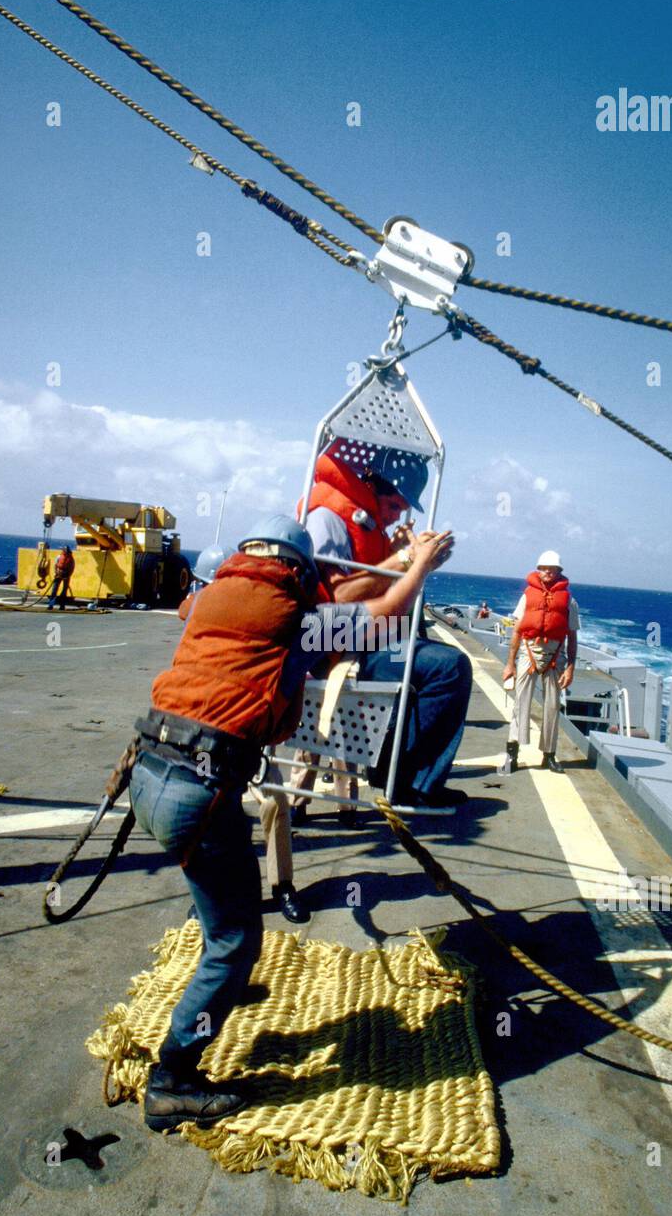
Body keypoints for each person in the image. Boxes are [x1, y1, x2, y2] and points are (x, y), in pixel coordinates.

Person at [130, 514, 451, 1132]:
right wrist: (420, 564)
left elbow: (185, 615)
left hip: (147, 773)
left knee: (224, 897)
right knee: (235, 942)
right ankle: (172, 1078)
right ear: (298, 571)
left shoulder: (208, 598)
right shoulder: (297, 619)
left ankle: (218, 987)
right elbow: (384, 617)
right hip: (196, 793)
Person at [298, 440, 473, 808]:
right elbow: (336, 600)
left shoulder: (364, 521)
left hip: (360, 640)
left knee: (425, 657)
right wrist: (407, 559)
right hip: (328, 645)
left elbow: (372, 590)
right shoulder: (327, 519)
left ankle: (396, 772)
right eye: (393, 505)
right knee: (449, 668)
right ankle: (412, 784)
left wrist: (407, 560)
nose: (396, 515)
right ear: (372, 483)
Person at [182, 546, 308, 925]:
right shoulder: (203, 611)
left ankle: (282, 886)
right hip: (204, 736)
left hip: (246, 736)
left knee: (275, 803)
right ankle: (212, 897)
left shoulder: (229, 610)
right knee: (207, 815)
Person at [502, 550, 578, 774]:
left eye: (552, 569)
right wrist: (510, 664)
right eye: (544, 568)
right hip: (528, 650)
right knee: (520, 703)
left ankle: (549, 755)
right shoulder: (527, 596)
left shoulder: (569, 601)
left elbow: (572, 637)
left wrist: (571, 667)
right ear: (538, 570)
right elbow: (516, 631)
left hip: (555, 655)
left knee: (553, 706)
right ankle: (512, 754)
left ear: (558, 572)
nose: (547, 572)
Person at [46, 544, 74, 611]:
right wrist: (67, 575)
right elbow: (72, 568)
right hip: (63, 575)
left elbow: (55, 565)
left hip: (61, 575)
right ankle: (61, 606)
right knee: (61, 591)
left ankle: (52, 605)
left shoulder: (60, 557)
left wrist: (56, 573)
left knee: (55, 590)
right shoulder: (71, 558)